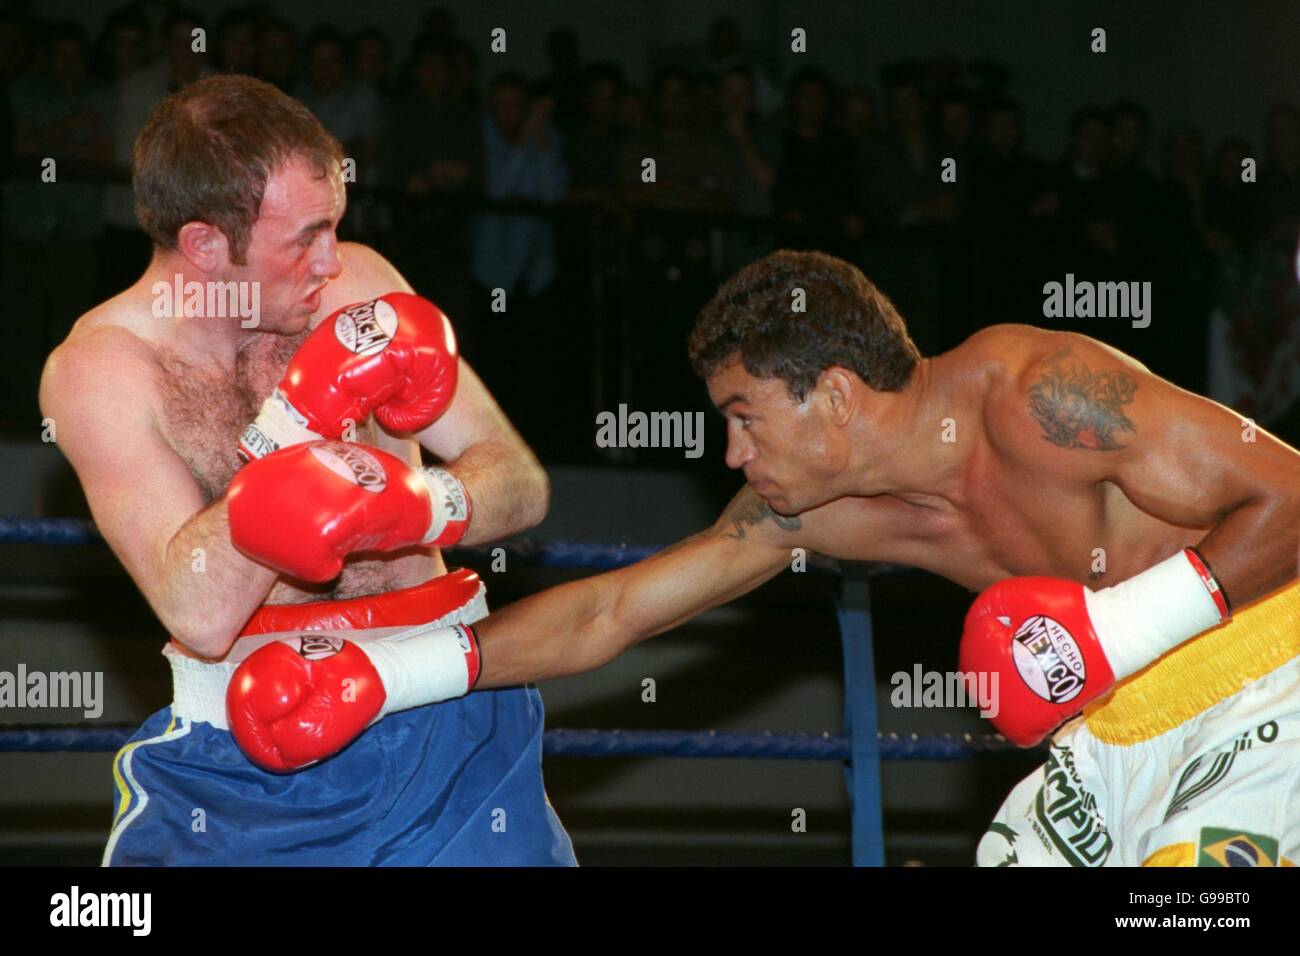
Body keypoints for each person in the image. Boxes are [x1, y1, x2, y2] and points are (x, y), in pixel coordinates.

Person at [255, 248, 1299, 866]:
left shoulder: (1039, 393)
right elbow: (611, 613)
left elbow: (1288, 492)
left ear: (836, 392)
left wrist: (1115, 628)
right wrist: (385, 672)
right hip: (1112, 723)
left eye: (744, 415)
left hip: (1270, 675)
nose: (730, 452)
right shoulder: (812, 511)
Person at [39, 74, 572, 866]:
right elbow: (199, 611)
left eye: (336, 226)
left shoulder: (362, 283)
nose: (332, 262)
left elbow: (522, 484)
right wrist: (298, 420)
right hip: (250, 761)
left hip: (446, 718)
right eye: (304, 238)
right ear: (205, 246)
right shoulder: (103, 372)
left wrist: (417, 507)